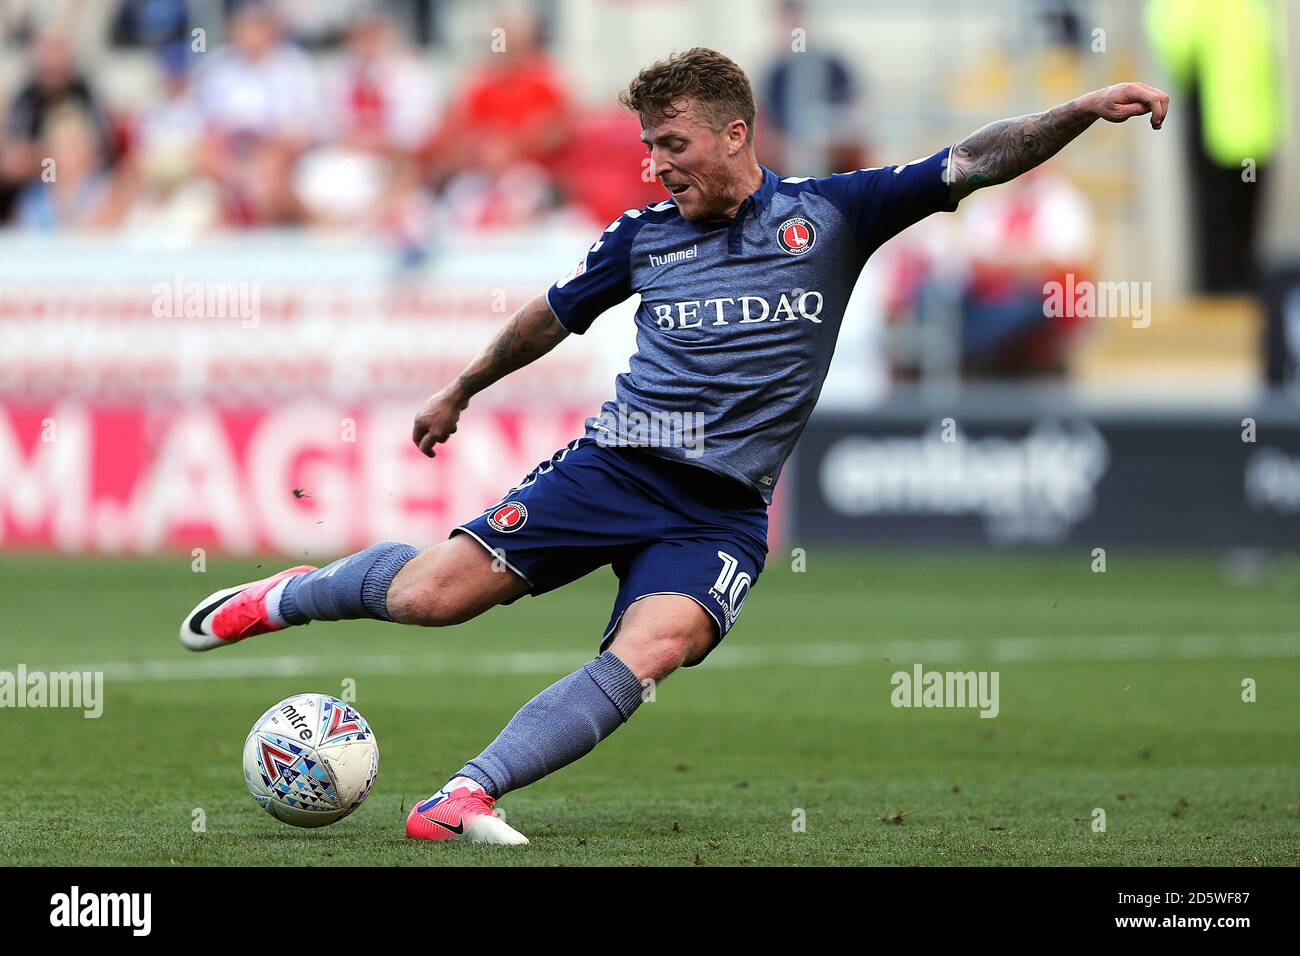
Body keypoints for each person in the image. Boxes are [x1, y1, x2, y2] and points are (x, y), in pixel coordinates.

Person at [180, 48, 1168, 844]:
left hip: (723, 509)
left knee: (655, 645)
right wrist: (463, 387)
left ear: (735, 133)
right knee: (430, 597)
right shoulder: (643, 234)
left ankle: (464, 796)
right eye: (649, 146)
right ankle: (285, 594)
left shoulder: (834, 213)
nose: (656, 165)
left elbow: (973, 158)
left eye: (673, 144)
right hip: (613, 466)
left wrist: (1081, 108)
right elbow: (551, 316)